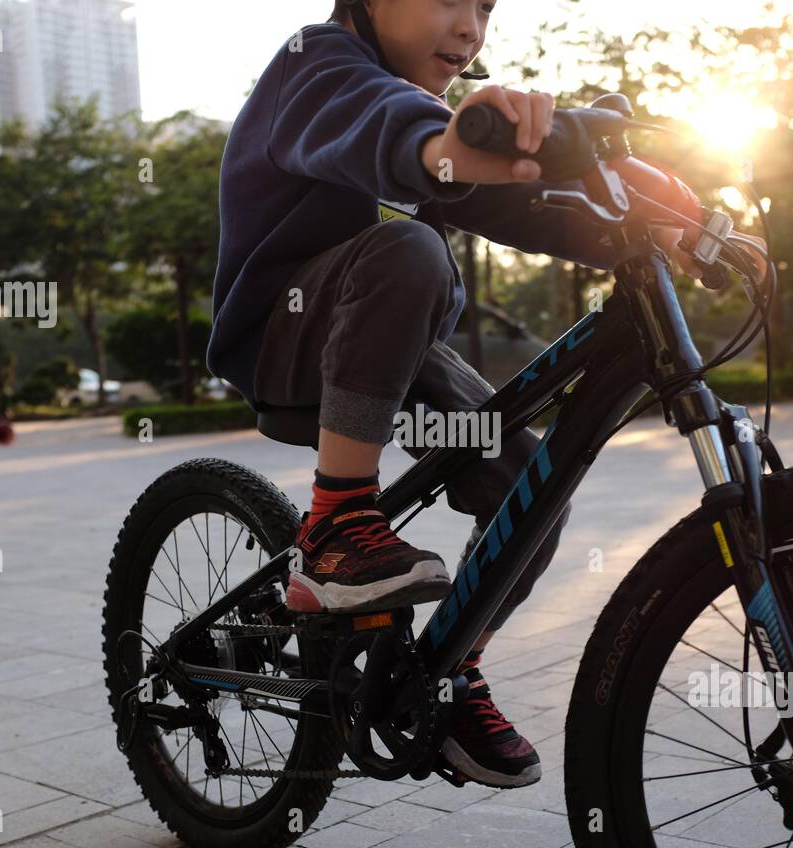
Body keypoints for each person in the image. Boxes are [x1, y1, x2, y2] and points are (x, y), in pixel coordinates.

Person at [208, 0, 731, 788]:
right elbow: (388, 128)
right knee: (410, 248)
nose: (470, 28)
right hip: (284, 337)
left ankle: (450, 671)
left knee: (529, 488)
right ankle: (335, 519)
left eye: (485, 8)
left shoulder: (430, 124)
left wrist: (657, 224)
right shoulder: (314, 66)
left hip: (391, 346)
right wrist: (443, 141)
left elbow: (511, 198)